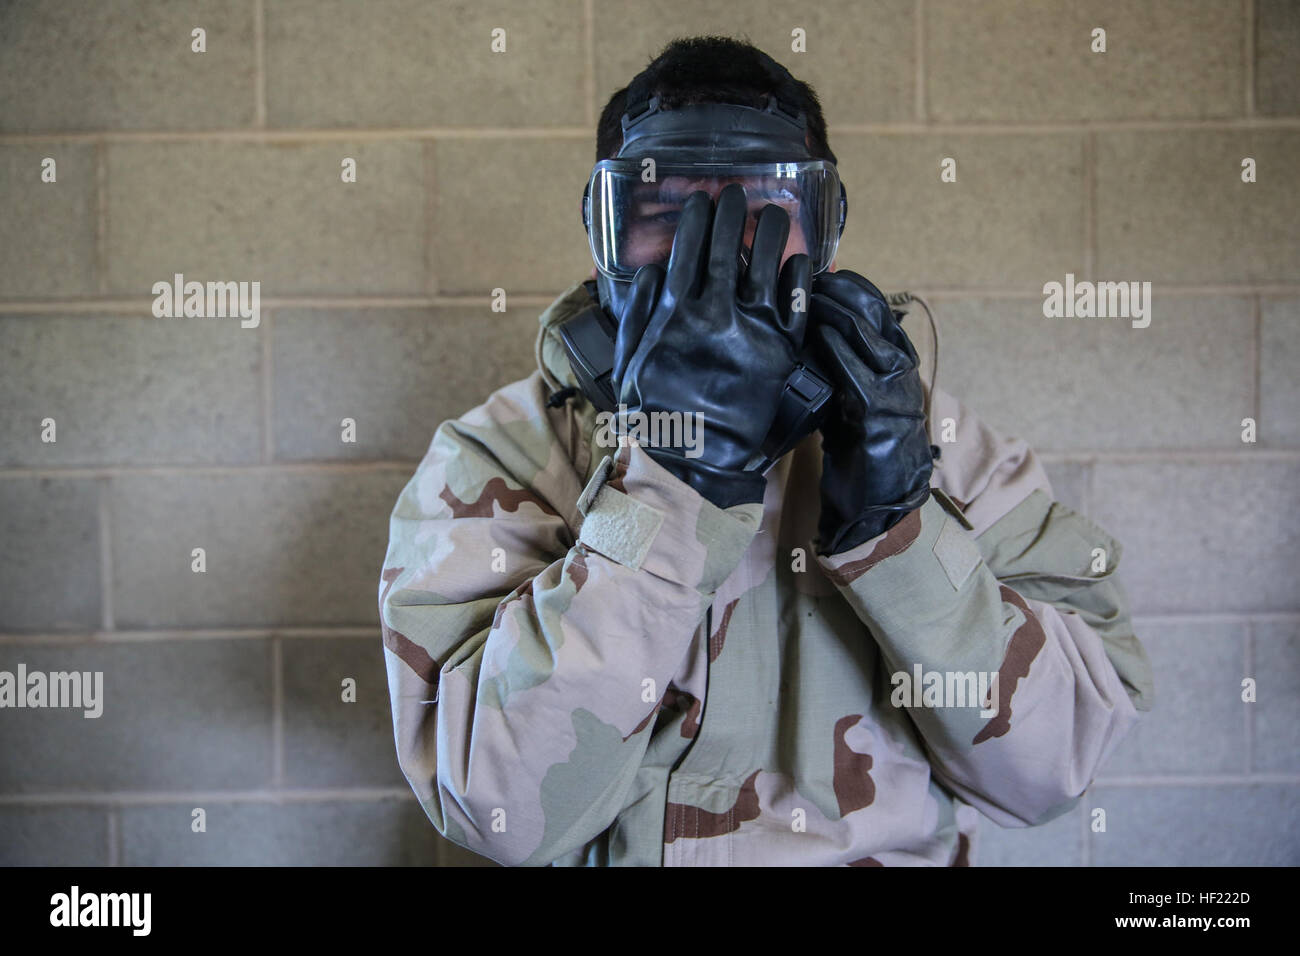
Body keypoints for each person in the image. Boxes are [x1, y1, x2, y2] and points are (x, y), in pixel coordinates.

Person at [378, 36, 1154, 867]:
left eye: (765, 212)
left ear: (826, 228)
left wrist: (900, 528)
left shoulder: (942, 447)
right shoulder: (497, 460)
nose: (719, 253)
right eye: (668, 213)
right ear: (601, 230)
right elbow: (497, 814)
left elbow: (1052, 772)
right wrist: (673, 487)